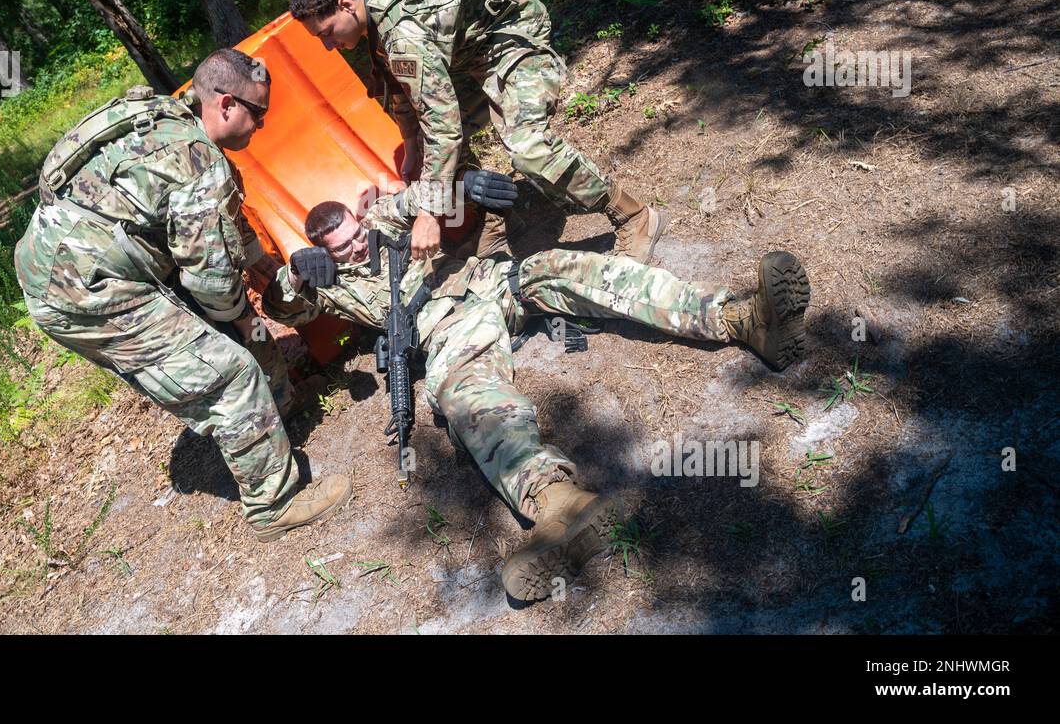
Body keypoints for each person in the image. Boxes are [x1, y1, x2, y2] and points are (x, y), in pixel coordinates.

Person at [261, 176, 810, 600]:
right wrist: (297, 273)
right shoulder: (331, 283)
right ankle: (561, 506)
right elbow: (282, 305)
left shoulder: (386, 216)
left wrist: (461, 190)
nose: (358, 249)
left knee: (581, 270)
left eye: (357, 238)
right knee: (465, 393)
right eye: (344, 248)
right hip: (451, 332)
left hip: (491, 280)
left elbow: (428, 195)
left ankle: (742, 319)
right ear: (327, 252)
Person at [14, 48, 350, 542]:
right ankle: (274, 504)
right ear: (227, 104)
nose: (261, 127)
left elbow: (226, 240)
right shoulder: (198, 162)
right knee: (229, 369)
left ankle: (273, 410)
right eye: (259, 114)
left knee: (241, 330)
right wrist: (241, 325)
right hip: (87, 293)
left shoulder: (162, 116)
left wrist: (261, 287)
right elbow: (212, 284)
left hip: (72, 261)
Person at [288, 0, 665, 264]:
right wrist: (411, 141)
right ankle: (497, 222)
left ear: (345, 5)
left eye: (326, 34)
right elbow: (398, 83)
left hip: (514, 39)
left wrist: (429, 214)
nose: (327, 46)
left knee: (527, 148)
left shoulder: (401, 30)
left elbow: (444, 125)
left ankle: (633, 215)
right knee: (430, 155)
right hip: (472, 53)